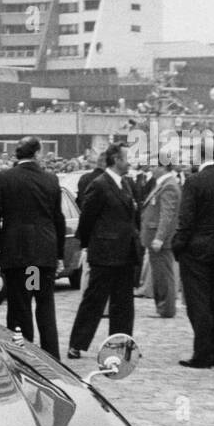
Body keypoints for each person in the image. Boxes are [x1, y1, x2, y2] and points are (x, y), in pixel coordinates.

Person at [0, 136, 66, 359]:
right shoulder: (50, 180)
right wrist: (59, 253)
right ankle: (51, 355)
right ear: (37, 154)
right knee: (44, 305)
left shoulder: (4, 178)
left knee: (20, 307)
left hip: (19, 253)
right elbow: (58, 219)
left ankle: (22, 354)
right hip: (42, 254)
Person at [67, 143, 142, 359]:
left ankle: (121, 345)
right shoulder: (100, 185)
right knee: (94, 301)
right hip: (104, 253)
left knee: (124, 303)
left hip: (125, 253)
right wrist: (90, 244)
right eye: (127, 158)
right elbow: (87, 218)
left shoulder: (125, 184)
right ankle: (77, 344)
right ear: (116, 160)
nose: (130, 162)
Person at [172, 154, 214, 368]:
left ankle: (202, 353)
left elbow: (186, 218)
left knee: (198, 302)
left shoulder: (195, 180)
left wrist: (178, 245)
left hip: (197, 248)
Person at [139, 162, 181, 318]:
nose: (151, 169)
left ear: (164, 167)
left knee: (164, 275)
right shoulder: (164, 183)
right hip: (154, 236)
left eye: (154, 166)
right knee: (159, 274)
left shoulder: (168, 185)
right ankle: (163, 307)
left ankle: (166, 308)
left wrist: (159, 237)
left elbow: (167, 215)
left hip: (160, 239)